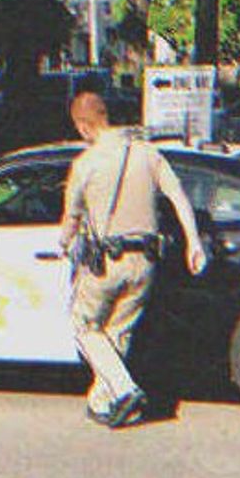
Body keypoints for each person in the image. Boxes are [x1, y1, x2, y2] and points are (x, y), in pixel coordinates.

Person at [59, 91, 207, 428]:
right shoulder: (147, 152)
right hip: (145, 261)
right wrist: (193, 243)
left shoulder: (86, 163)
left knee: (83, 325)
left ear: (83, 126)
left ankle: (125, 390)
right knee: (117, 332)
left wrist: (62, 243)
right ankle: (102, 401)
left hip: (106, 261)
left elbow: (71, 217)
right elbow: (178, 196)